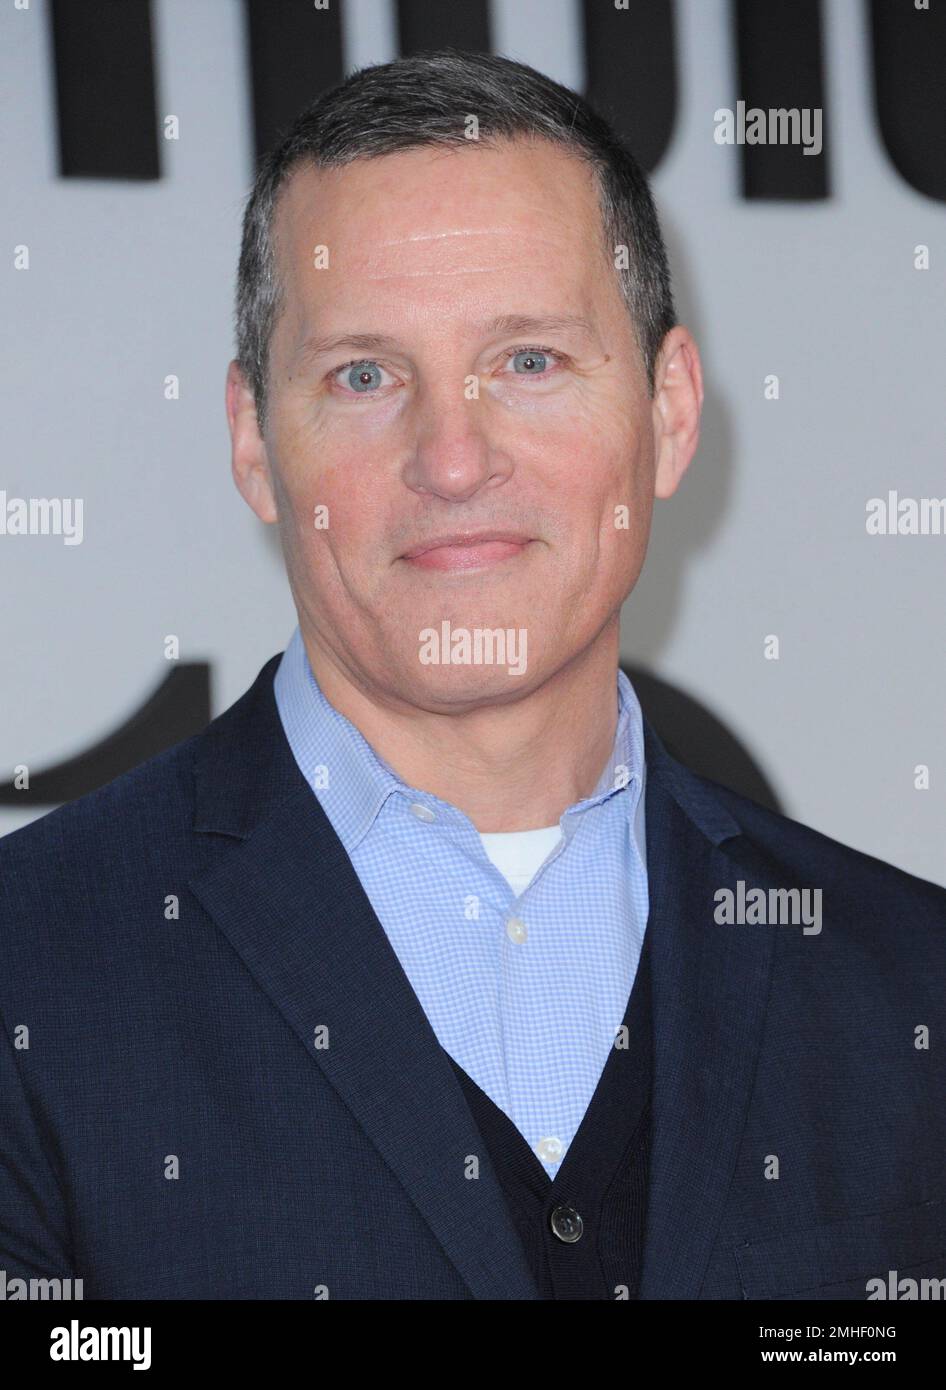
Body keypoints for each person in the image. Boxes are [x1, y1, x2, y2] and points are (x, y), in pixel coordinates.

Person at [1, 49, 943, 1302]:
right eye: (365, 376)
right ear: (251, 441)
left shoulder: (905, 983)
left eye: (530, 361)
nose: (451, 458)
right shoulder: (32, 966)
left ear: (667, 411)